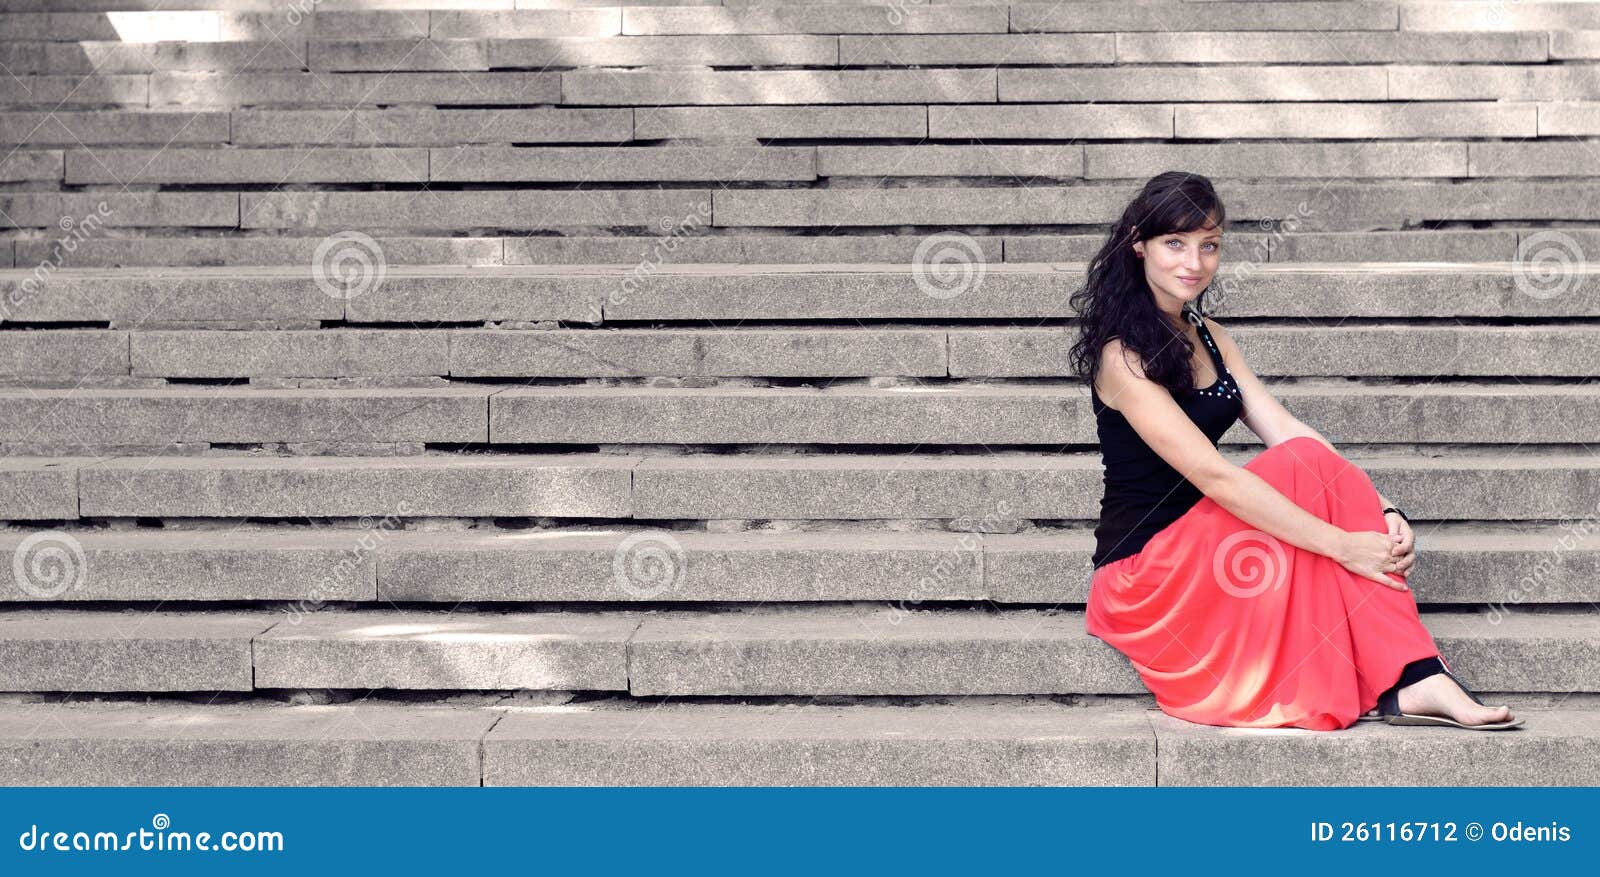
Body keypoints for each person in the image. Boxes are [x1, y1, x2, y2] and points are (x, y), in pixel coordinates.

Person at [1068, 171, 1522, 731]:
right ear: (1139, 244)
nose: (1194, 262)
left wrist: (1381, 507)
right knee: (1296, 471)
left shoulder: (1208, 333)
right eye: (1175, 243)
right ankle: (1411, 676)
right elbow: (1217, 477)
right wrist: (1341, 545)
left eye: (1209, 245)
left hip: (1206, 550)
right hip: (1145, 575)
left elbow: (1288, 429)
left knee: (1308, 457)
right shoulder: (1122, 356)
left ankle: (1418, 675)